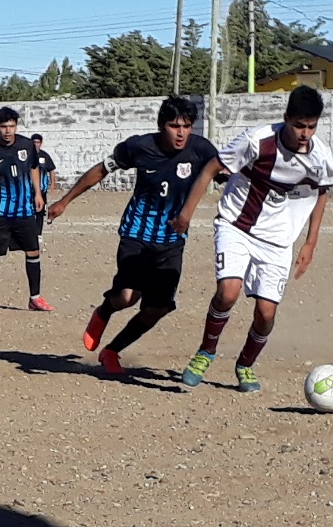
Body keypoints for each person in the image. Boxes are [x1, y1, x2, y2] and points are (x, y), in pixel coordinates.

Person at [172, 85, 333, 394]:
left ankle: (245, 365)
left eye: (311, 126)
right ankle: (206, 352)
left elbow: (322, 193)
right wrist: (186, 215)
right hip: (237, 225)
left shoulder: (321, 157)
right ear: (286, 119)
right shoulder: (256, 141)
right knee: (228, 292)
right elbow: (211, 168)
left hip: (277, 240)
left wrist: (310, 242)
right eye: (299, 125)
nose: (305, 133)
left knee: (266, 312)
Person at [47, 96, 219, 375]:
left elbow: (230, 177)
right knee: (128, 297)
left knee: (158, 308)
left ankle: (112, 350)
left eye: (187, 126)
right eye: (174, 126)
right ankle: (104, 311)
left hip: (172, 240)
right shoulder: (139, 147)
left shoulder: (201, 150)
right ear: (161, 126)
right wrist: (65, 201)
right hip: (136, 233)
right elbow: (101, 170)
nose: (181, 133)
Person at [0, 108, 50, 314]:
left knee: (33, 251)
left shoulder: (26, 145)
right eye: (4, 127)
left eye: (12, 126)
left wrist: (38, 193)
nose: (8, 131)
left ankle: (35, 297)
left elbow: (33, 168)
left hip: (24, 209)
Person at [31, 133, 56, 233]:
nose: (36, 144)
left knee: (40, 212)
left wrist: (52, 184)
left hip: (41, 190)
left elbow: (52, 170)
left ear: (40, 143)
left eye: (37, 142)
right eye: (34, 142)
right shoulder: (26, 155)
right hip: (28, 189)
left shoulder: (44, 156)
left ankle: (38, 233)